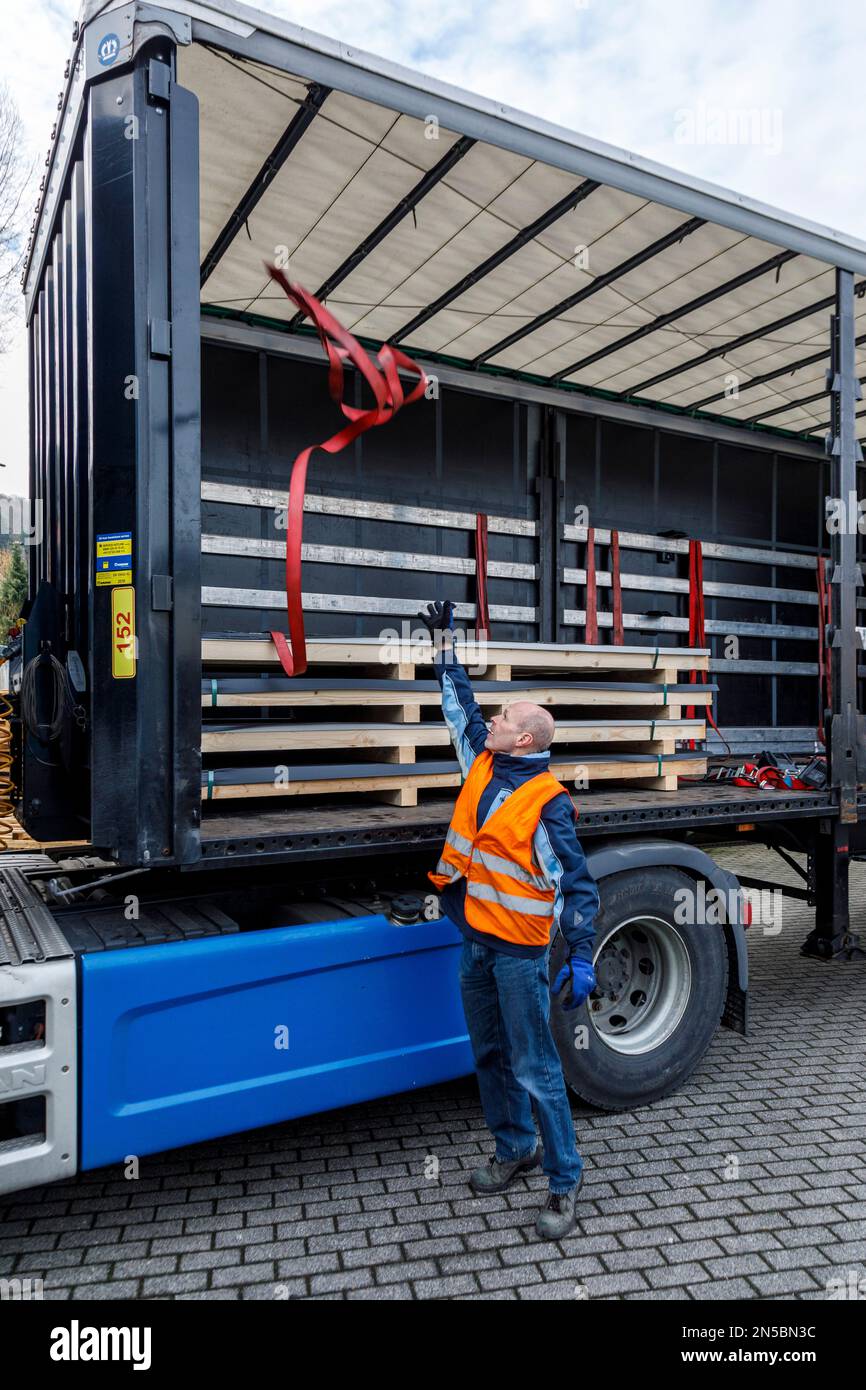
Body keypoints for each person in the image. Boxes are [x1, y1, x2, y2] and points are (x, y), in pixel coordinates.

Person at [420, 600, 599, 1240]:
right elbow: (460, 709)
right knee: (490, 1053)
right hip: (476, 944)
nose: (490, 721)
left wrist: (580, 956)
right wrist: (445, 644)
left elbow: (576, 885)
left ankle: (564, 1179)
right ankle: (514, 1147)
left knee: (536, 1066)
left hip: (521, 956)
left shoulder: (549, 806)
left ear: (524, 738)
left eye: (503, 720)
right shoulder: (483, 762)